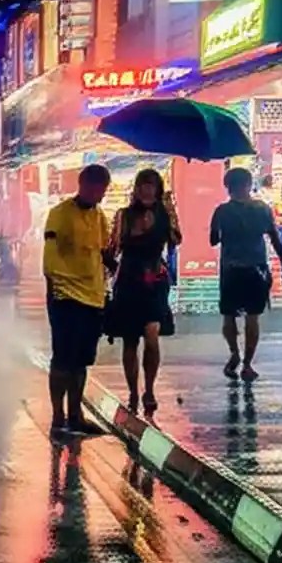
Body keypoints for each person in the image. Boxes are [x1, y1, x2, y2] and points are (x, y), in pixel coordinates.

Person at [43, 164, 113, 438]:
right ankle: (58, 416)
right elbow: (50, 257)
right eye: (97, 189)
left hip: (93, 297)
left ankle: (76, 415)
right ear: (83, 185)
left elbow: (104, 251)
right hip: (65, 296)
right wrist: (55, 286)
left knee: (81, 361)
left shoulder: (99, 217)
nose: (100, 195)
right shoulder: (60, 214)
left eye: (103, 190)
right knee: (63, 358)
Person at [105, 169, 182, 412]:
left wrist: (170, 210)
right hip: (129, 277)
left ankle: (149, 388)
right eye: (142, 185)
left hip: (155, 278)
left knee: (152, 333)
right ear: (136, 189)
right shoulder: (123, 216)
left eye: (151, 185)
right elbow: (112, 249)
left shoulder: (164, 214)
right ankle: (133, 391)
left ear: (157, 189)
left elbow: (176, 239)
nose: (146, 190)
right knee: (130, 339)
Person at [210, 167, 282, 382]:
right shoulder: (262, 209)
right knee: (252, 317)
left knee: (229, 316)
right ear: (249, 185)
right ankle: (247, 364)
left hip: (231, 270)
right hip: (256, 269)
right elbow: (275, 240)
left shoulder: (222, 211)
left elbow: (213, 239)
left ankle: (234, 353)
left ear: (228, 187)